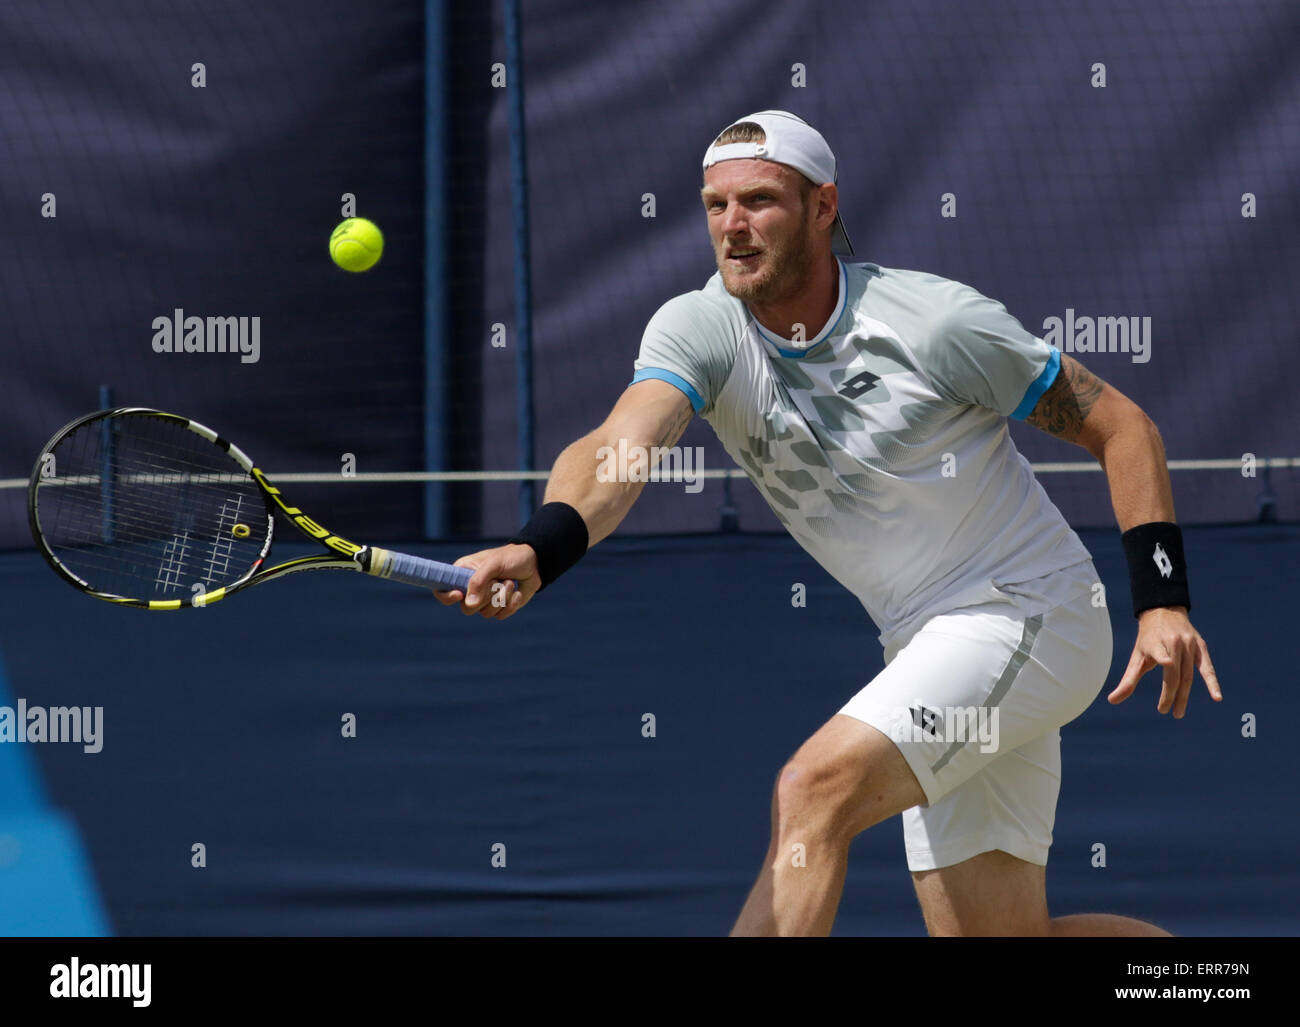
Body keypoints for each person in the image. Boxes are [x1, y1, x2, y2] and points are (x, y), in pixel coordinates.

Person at [435, 110, 1221, 937]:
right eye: (715, 205)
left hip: (1029, 611)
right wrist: (541, 544)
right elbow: (618, 449)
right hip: (927, 641)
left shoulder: (935, 323)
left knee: (813, 790)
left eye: (760, 201)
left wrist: (1162, 601)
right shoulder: (702, 327)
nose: (733, 228)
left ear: (822, 207)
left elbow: (1122, 426)